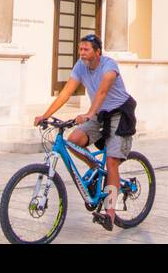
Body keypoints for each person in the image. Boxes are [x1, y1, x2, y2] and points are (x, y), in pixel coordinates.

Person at [33, 34, 135, 230]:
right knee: (73, 140)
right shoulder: (80, 66)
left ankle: (110, 213)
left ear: (98, 52)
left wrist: (89, 113)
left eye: (86, 49)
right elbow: (66, 92)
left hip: (119, 112)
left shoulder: (109, 66)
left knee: (112, 162)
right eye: (80, 49)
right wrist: (45, 115)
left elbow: (102, 93)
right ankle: (97, 169)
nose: (82, 53)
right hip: (99, 113)